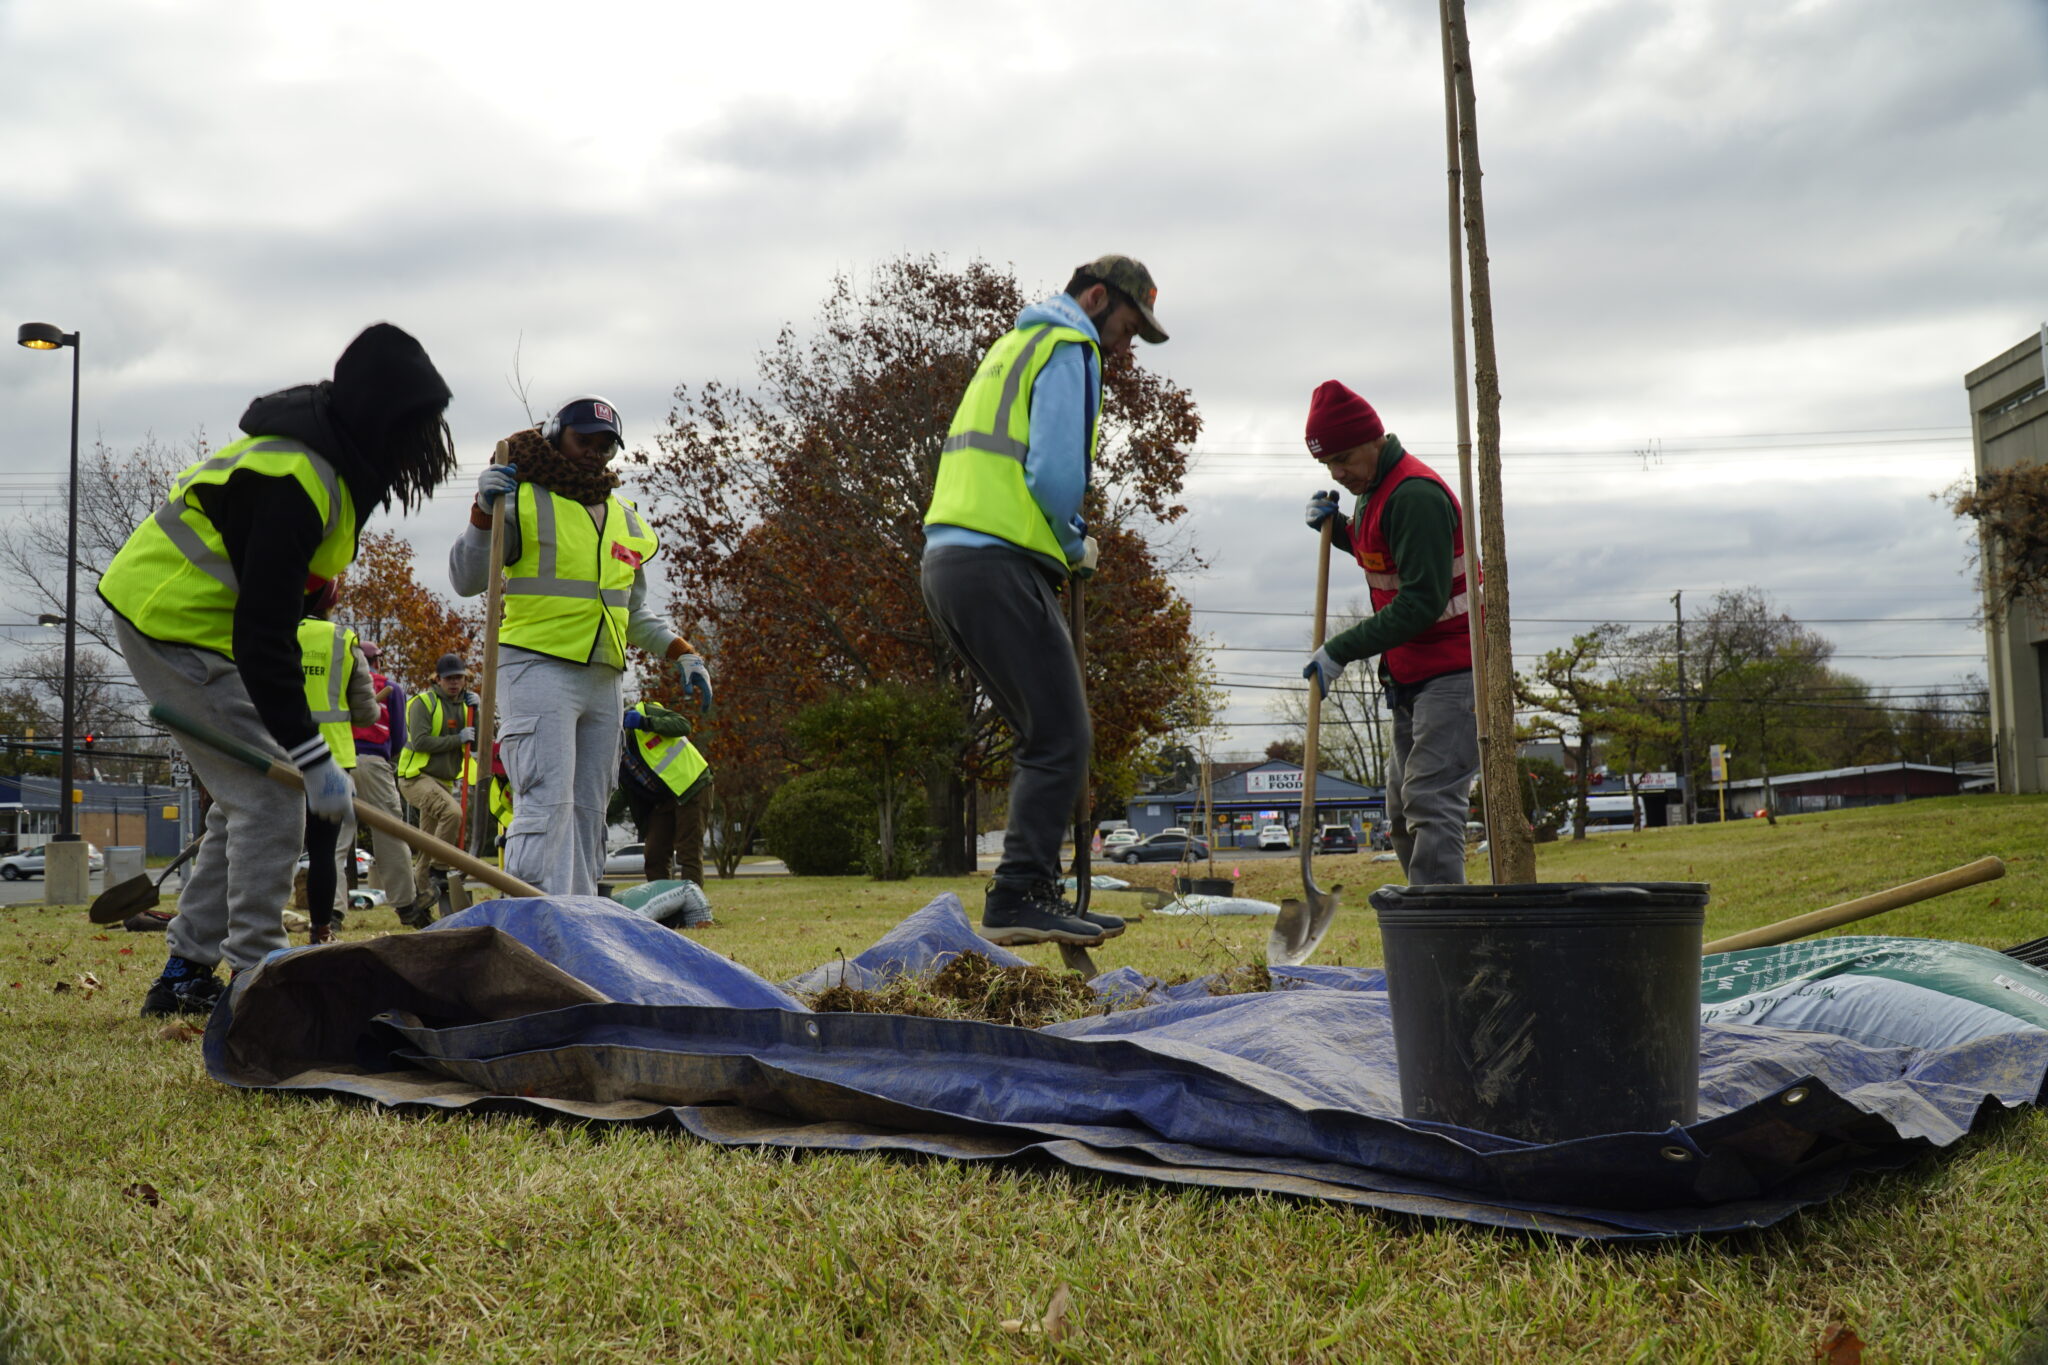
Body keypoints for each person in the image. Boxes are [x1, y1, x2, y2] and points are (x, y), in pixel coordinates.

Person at [99, 323, 455, 1016]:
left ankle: (185, 972)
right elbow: (264, 636)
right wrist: (313, 756)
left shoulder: (331, 470)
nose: (419, 450)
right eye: (413, 431)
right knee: (272, 796)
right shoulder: (293, 476)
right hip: (171, 623)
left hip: (202, 629)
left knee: (249, 799)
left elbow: (276, 598)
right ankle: (257, 975)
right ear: (378, 418)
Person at [920, 254, 1168, 947]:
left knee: (1044, 733)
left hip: (949, 561)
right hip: (998, 558)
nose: (1125, 348)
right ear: (1095, 298)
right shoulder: (1069, 346)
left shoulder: (1012, 345)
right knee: (1062, 734)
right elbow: (1056, 473)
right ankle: (1019, 895)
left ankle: (1035, 892)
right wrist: (1071, 541)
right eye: (1127, 329)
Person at [451, 397, 710, 897]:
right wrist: (482, 512)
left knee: (591, 805)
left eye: (605, 444)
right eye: (583, 439)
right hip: (536, 667)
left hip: (603, 676)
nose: (594, 451)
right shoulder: (521, 498)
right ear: (556, 436)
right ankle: (534, 912)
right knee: (547, 799)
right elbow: (466, 579)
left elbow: (631, 611)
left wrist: (682, 651)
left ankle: (581, 915)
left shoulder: (625, 518)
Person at [1300, 381, 1479, 887]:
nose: (1337, 473)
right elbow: (1386, 554)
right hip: (1409, 675)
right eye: (1327, 464)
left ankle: (1442, 922)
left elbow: (1421, 601)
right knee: (1401, 811)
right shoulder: (1374, 492)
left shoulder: (1415, 494)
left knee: (1430, 801)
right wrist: (1340, 531)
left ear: (1374, 439)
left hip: (1454, 672)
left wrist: (1341, 649)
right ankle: (1425, 910)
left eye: (1343, 458)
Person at [296, 583, 377, 944]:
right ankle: (321, 931)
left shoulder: (270, 631)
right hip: (330, 760)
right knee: (323, 852)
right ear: (330, 605)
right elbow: (366, 713)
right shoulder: (343, 640)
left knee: (269, 849)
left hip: (278, 757)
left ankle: (258, 930)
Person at [394, 653, 473, 925]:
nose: (454, 683)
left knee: (427, 846)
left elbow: (478, 740)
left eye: (459, 678)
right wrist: (457, 739)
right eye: (449, 678)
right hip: (416, 777)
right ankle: (439, 873)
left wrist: (479, 713)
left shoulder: (467, 706)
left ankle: (421, 906)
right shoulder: (423, 703)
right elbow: (421, 741)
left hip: (443, 781)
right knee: (452, 813)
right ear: (437, 679)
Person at [348, 641, 417, 913]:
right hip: (373, 763)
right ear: (378, 661)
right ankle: (406, 905)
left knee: (334, 839)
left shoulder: (337, 685)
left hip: (335, 761)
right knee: (390, 834)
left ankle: (331, 911)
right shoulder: (390, 688)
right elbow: (399, 737)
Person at [617, 700, 711, 887]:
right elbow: (623, 793)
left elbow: (683, 725)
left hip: (692, 785)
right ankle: (664, 903)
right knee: (655, 855)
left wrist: (645, 722)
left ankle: (693, 904)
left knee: (688, 853)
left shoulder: (644, 711)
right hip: (664, 799)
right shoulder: (616, 753)